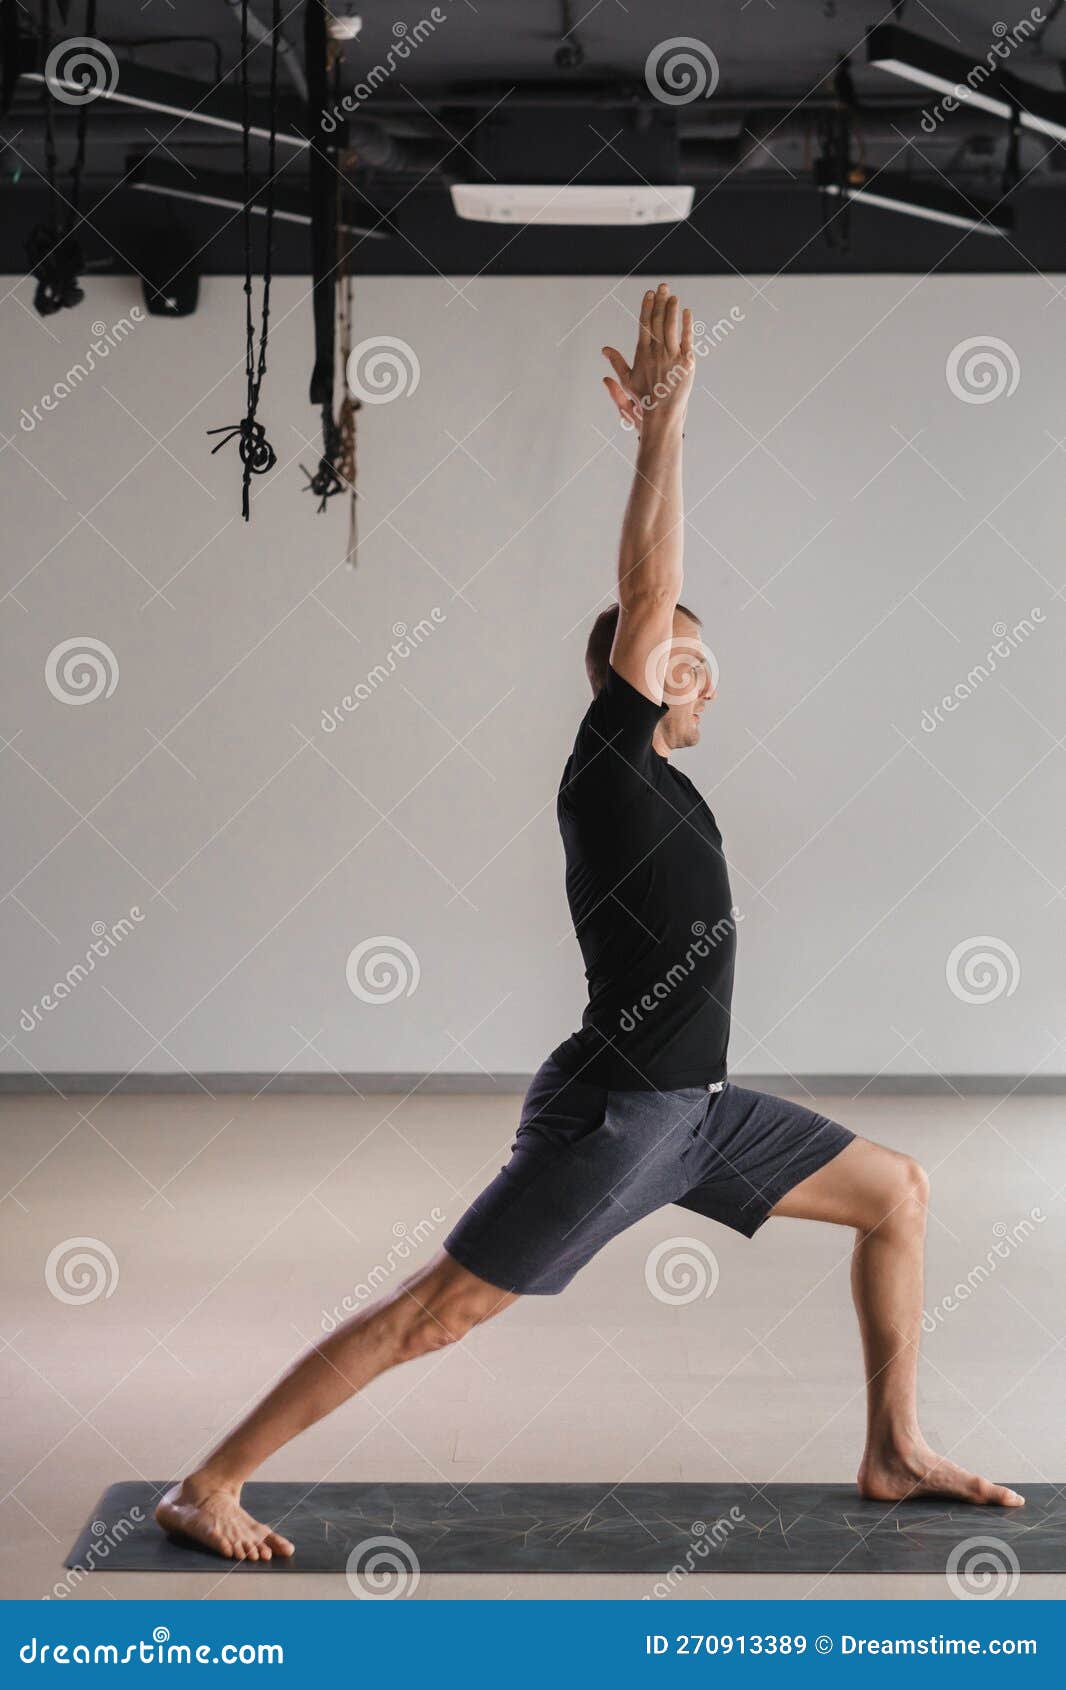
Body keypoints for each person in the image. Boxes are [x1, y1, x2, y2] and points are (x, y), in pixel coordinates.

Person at [156, 284, 1023, 1561]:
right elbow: (647, 578)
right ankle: (209, 1482)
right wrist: (662, 437)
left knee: (896, 1191)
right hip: (622, 1114)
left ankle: (893, 1446)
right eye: (665, 650)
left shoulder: (674, 783)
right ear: (621, 667)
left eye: (701, 657)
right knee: (440, 1313)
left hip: (701, 1112)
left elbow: (666, 617)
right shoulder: (606, 769)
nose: (690, 666)